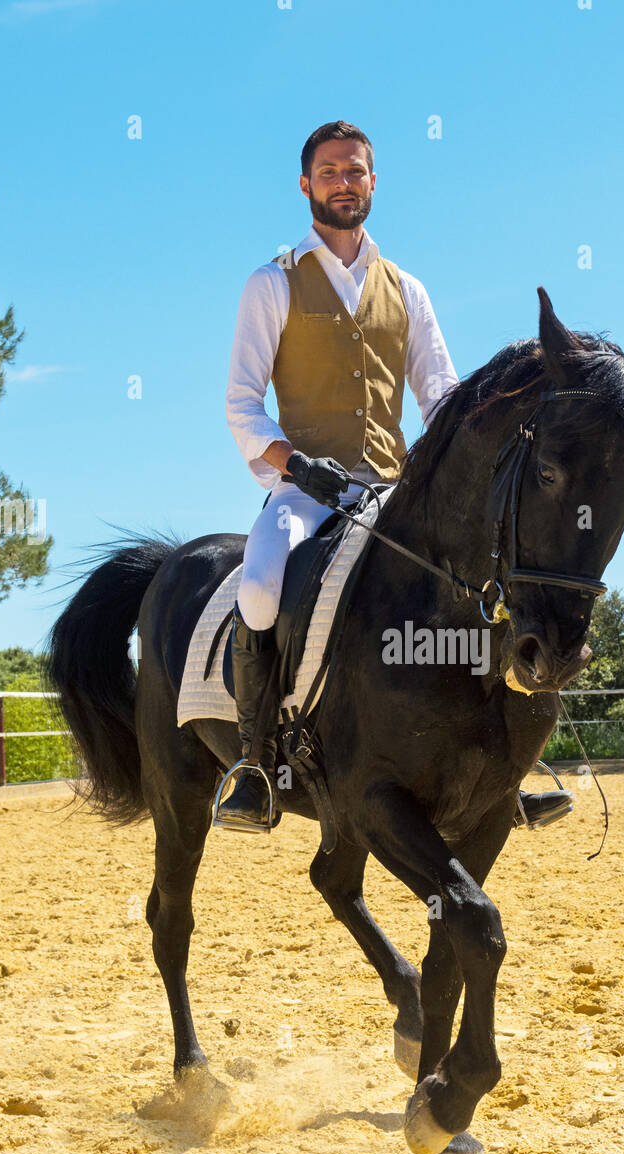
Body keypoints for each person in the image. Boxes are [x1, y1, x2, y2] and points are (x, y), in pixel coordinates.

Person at [220, 119, 572, 833]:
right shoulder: (272, 281)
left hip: (392, 488)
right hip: (305, 493)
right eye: (329, 171)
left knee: (491, 577)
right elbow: (240, 403)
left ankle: (509, 773)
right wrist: (294, 464)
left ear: (372, 182)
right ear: (304, 185)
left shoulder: (406, 288)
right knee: (258, 583)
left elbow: (439, 394)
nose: (342, 181)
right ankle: (255, 764)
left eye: (354, 170)